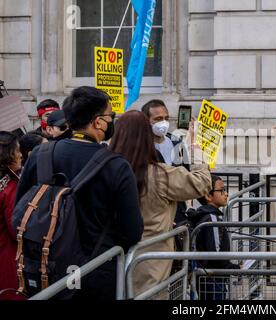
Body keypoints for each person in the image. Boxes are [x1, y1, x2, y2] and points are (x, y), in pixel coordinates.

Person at [16, 86, 143, 300]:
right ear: (98, 122)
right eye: (110, 115)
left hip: (45, 270)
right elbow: (131, 230)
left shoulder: (40, 154)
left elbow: (20, 209)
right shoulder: (117, 166)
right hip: (97, 271)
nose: (112, 121)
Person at [109, 110, 211, 297]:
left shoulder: (106, 168)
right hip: (151, 261)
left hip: (111, 258)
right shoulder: (159, 174)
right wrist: (196, 149)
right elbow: (201, 183)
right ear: (147, 137)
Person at [189, 175, 240, 300]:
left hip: (209, 277)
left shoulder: (207, 215)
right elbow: (216, 255)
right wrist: (235, 268)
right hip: (213, 279)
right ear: (208, 196)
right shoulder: (211, 218)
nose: (226, 193)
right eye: (221, 190)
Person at [0, 132, 23, 300]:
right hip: (6, 255)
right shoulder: (10, 187)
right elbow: (15, 230)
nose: (21, 155)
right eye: (17, 150)